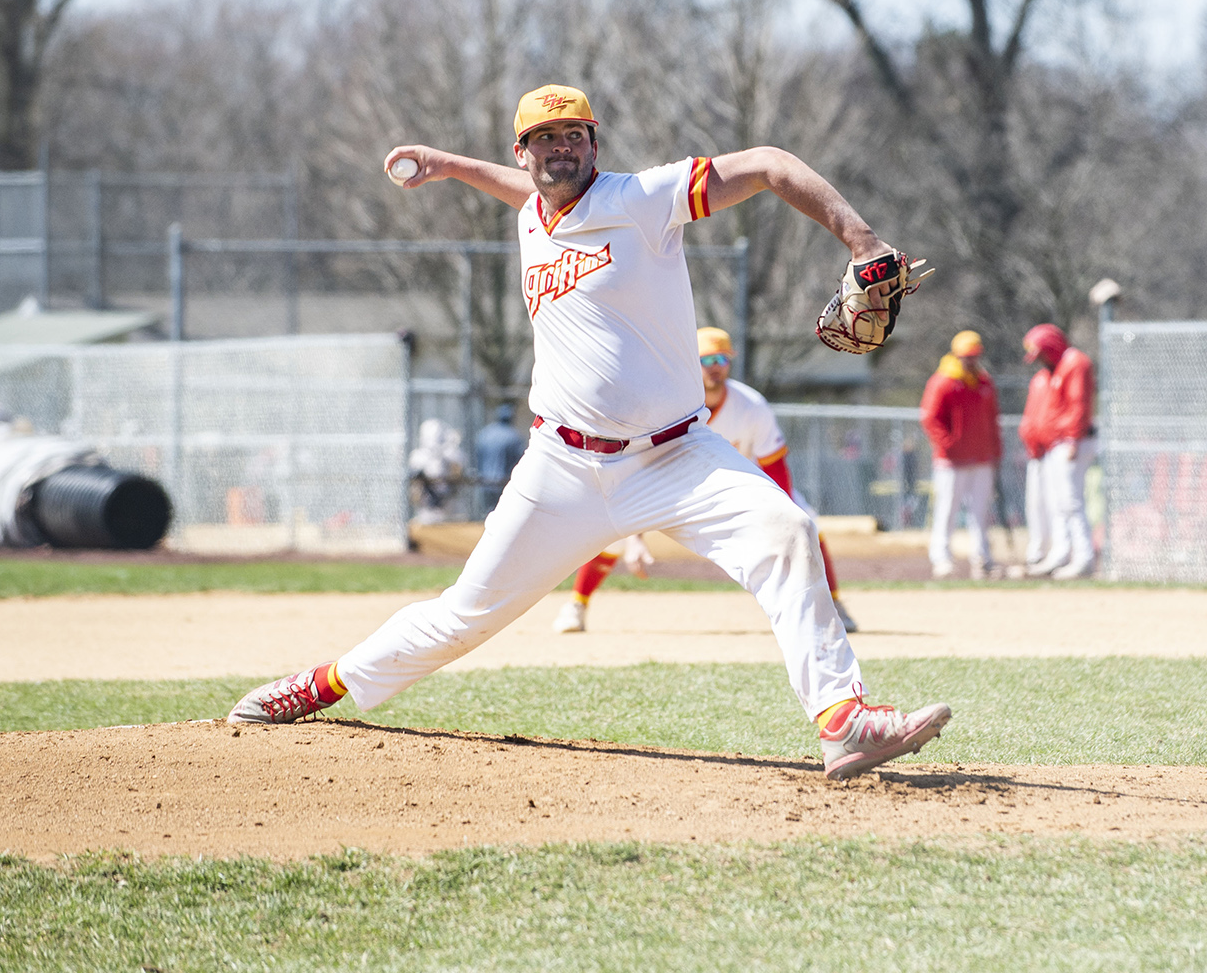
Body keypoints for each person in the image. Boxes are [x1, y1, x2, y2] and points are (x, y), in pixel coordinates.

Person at [226, 84, 949, 780]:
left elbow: (768, 165)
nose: (560, 148)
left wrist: (860, 239)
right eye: (544, 138)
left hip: (676, 456)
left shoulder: (641, 200)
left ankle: (842, 721)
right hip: (562, 469)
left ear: (595, 143)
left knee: (787, 532)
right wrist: (447, 165)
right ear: (523, 153)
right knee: (464, 616)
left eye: (574, 133)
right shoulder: (531, 214)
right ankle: (319, 684)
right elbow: (524, 195)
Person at [553, 326, 860, 634]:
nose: (715, 367)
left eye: (722, 359)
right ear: (690, 363)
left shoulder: (750, 406)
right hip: (674, 488)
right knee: (614, 531)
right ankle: (576, 605)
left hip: (740, 488)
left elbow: (774, 465)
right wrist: (635, 537)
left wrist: (782, 511)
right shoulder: (669, 405)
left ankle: (833, 606)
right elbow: (641, 469)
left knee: (805, 521)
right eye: (707, 358)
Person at [920, 330, 1004, 580]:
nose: (971, 360)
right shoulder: (943, 381)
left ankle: (982, 558)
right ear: (957, 355)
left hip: (981, 458)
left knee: (981, 512)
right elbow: (930, 418)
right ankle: (941, 557)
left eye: (975, 356)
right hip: (951, 461)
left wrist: (995, 450)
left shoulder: (984, 382)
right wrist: (949, 445)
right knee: (947, 510)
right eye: (967, 356)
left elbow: (992, 419)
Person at [1018, 322, 1095, 578]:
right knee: (1058, 504)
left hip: (1071, 442)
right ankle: (1061, 554)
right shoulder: (1055, 369)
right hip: (1055, 445)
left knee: (1071, 502)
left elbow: (1078, 404)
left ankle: (1084, 557)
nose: (1041, 361)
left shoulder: (1075, 363)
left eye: (1041, 354)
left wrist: (1072, 438)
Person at [472, 403, 527, 513]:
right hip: (504, 481)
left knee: (487, 513)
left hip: (485, 481)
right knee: (504, 512)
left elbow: (477, 456)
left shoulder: (485, 433)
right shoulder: (514, 436)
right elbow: (520, 460)